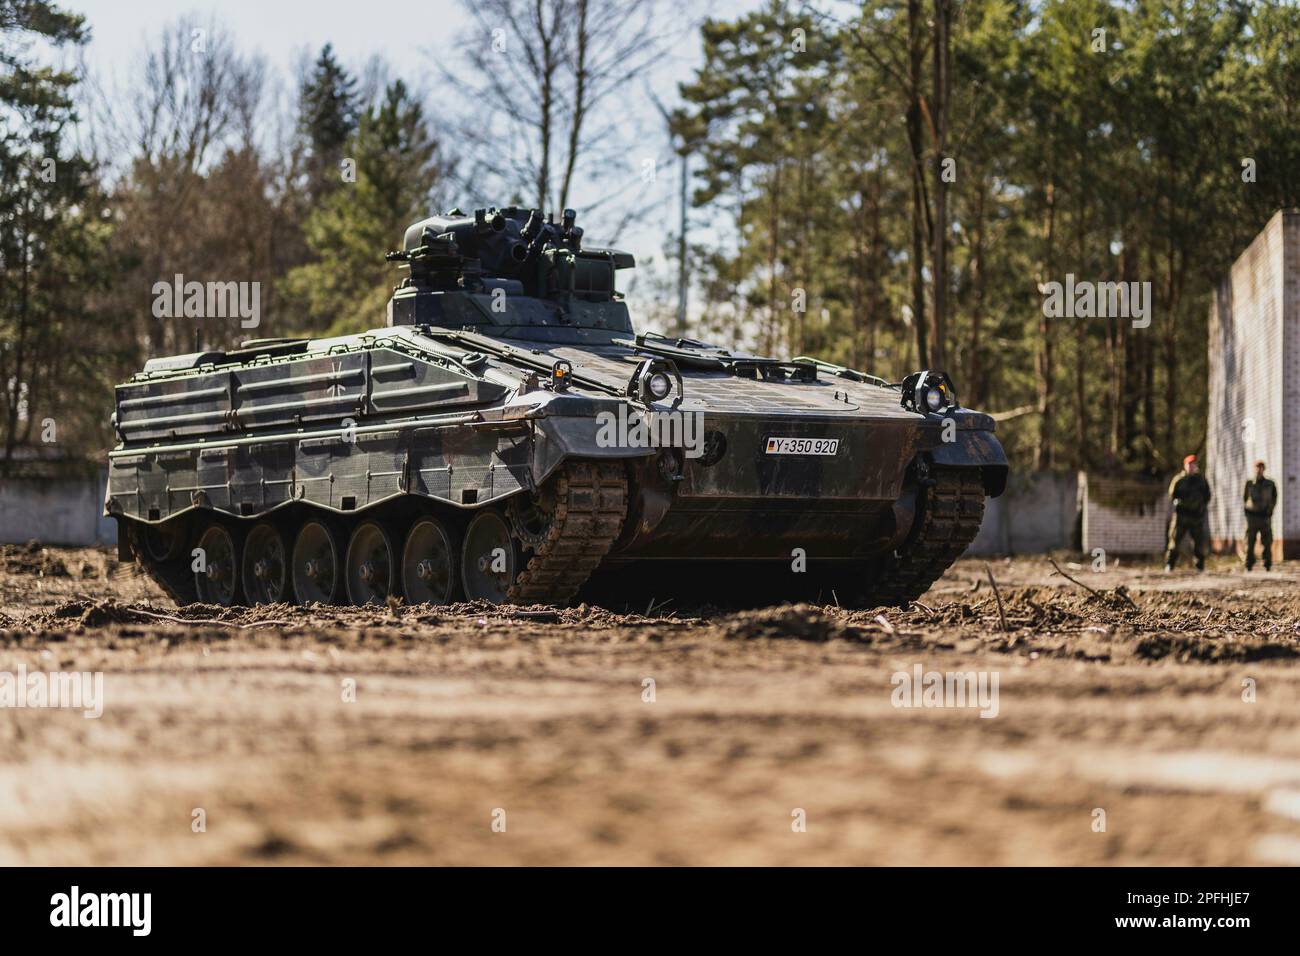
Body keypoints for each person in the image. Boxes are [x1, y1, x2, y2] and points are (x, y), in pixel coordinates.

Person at [1165, 454, 1211, 572]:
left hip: (1196, 516)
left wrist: (1200, 507)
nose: (1192, 467)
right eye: (1190, 464)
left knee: (1198, 542)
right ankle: (1170, 564)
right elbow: (1171, 495)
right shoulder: (1179, 480)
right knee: (1175, 541)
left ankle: (1200, 566)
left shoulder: (1201, 480)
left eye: (1194, 464)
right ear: (1185, 466)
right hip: (1181, 516)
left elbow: (1207, 496)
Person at [1243, 459, 1277, 571]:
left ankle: (1267, 563)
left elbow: (1274, 498)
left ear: (1264, 469)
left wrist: (1270, 510)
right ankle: (1249, 564)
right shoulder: (1249, 483)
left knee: (1267, 541)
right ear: (1254, 469)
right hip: (1252, 517)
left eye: (1261, 467)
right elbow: (1245, 498)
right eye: (1257, 467)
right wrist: (1247, 512)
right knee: (1250, 541)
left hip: (1264, 516)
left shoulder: (1270, 484)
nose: (1259, 470)